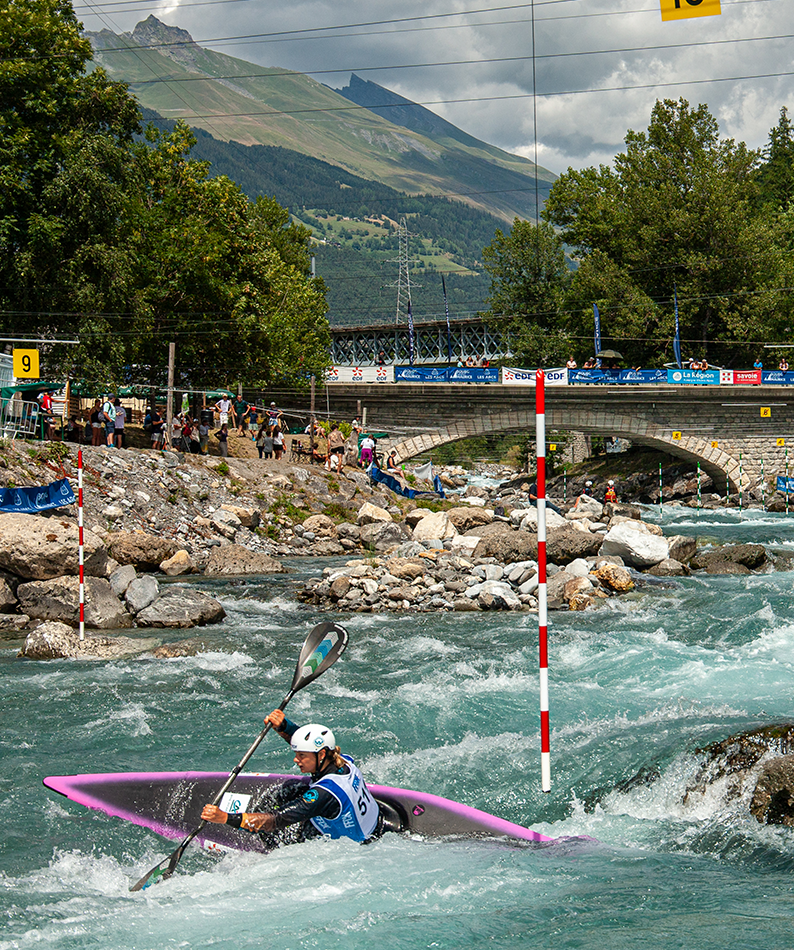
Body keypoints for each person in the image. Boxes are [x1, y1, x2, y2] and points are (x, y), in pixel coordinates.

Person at [201, 709, 380, 844]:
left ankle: (250, 828)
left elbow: (276, 820)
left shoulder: (322, 795)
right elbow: (310, 744)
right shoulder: (343, 761)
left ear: (322, 755)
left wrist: (226, 818)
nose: (296, 760)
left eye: (302, 756)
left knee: (274, 830)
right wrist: (284, 726)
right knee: (289, 789)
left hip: (354, 845)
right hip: (373, 823)